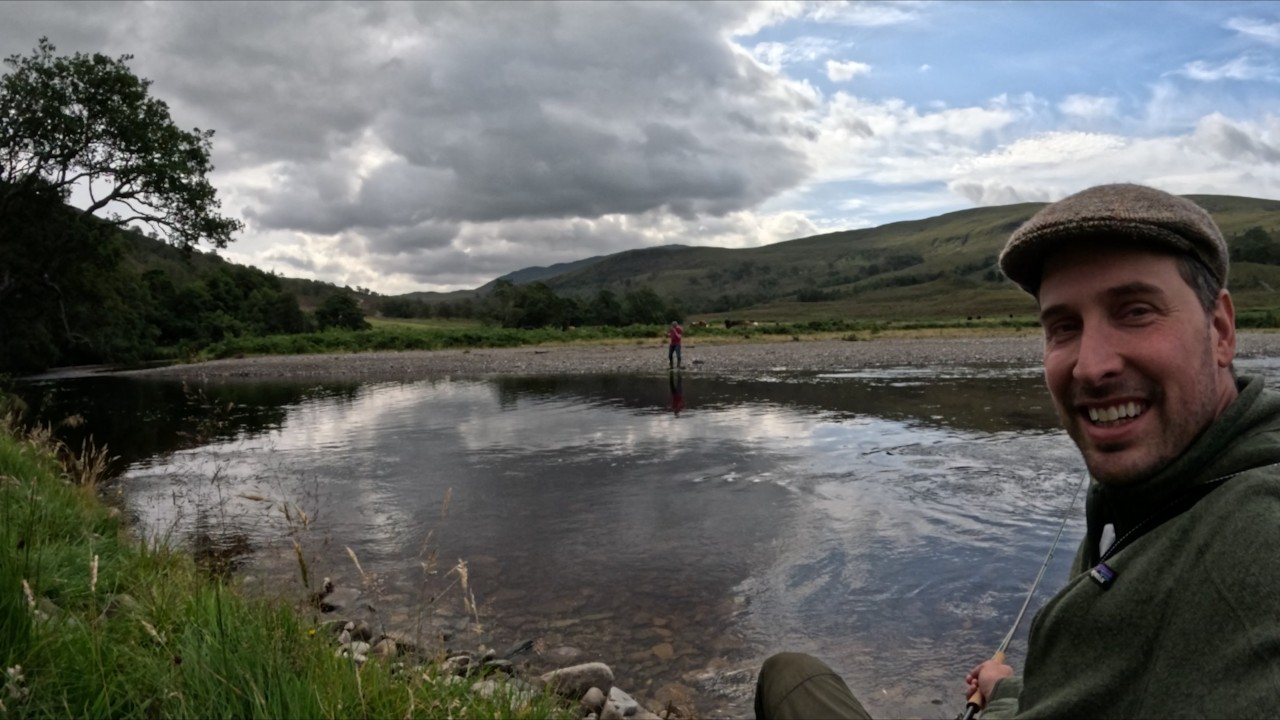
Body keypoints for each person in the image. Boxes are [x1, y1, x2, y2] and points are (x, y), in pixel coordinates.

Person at [754, 183, 1280, 719]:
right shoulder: (1156, 494)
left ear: (1220, 330)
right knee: (792, 672)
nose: (1091, 366)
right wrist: (1008, 691)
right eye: (1063, 327)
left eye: (1136, 311)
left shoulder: (1257, 536)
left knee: (790, 678)